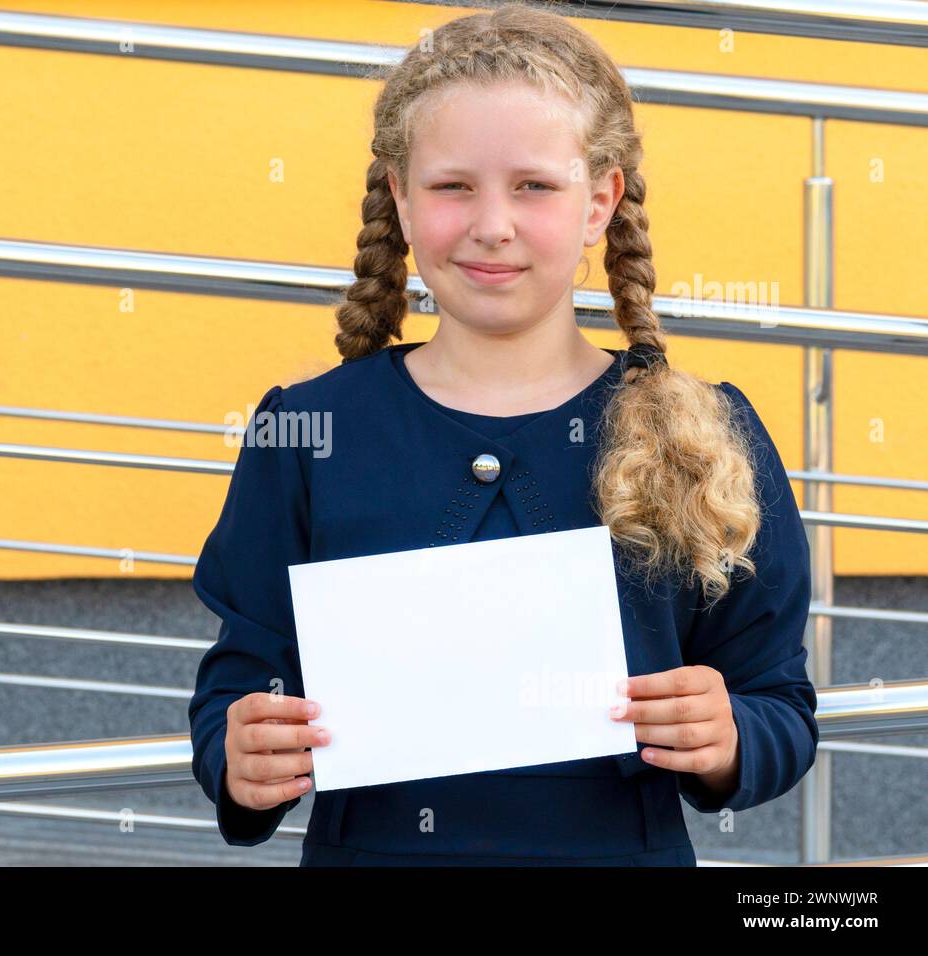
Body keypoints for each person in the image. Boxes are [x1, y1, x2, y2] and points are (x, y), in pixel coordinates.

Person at [187, 3, 818, 866]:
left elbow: (778, 703)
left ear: (599, 202)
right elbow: (243, 670)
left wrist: (730, 734)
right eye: (453, 186)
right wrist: (238, 753)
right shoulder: (308, 431)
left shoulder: (707, 435)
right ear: (402, 201)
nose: (492, 225)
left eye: (534, 186)